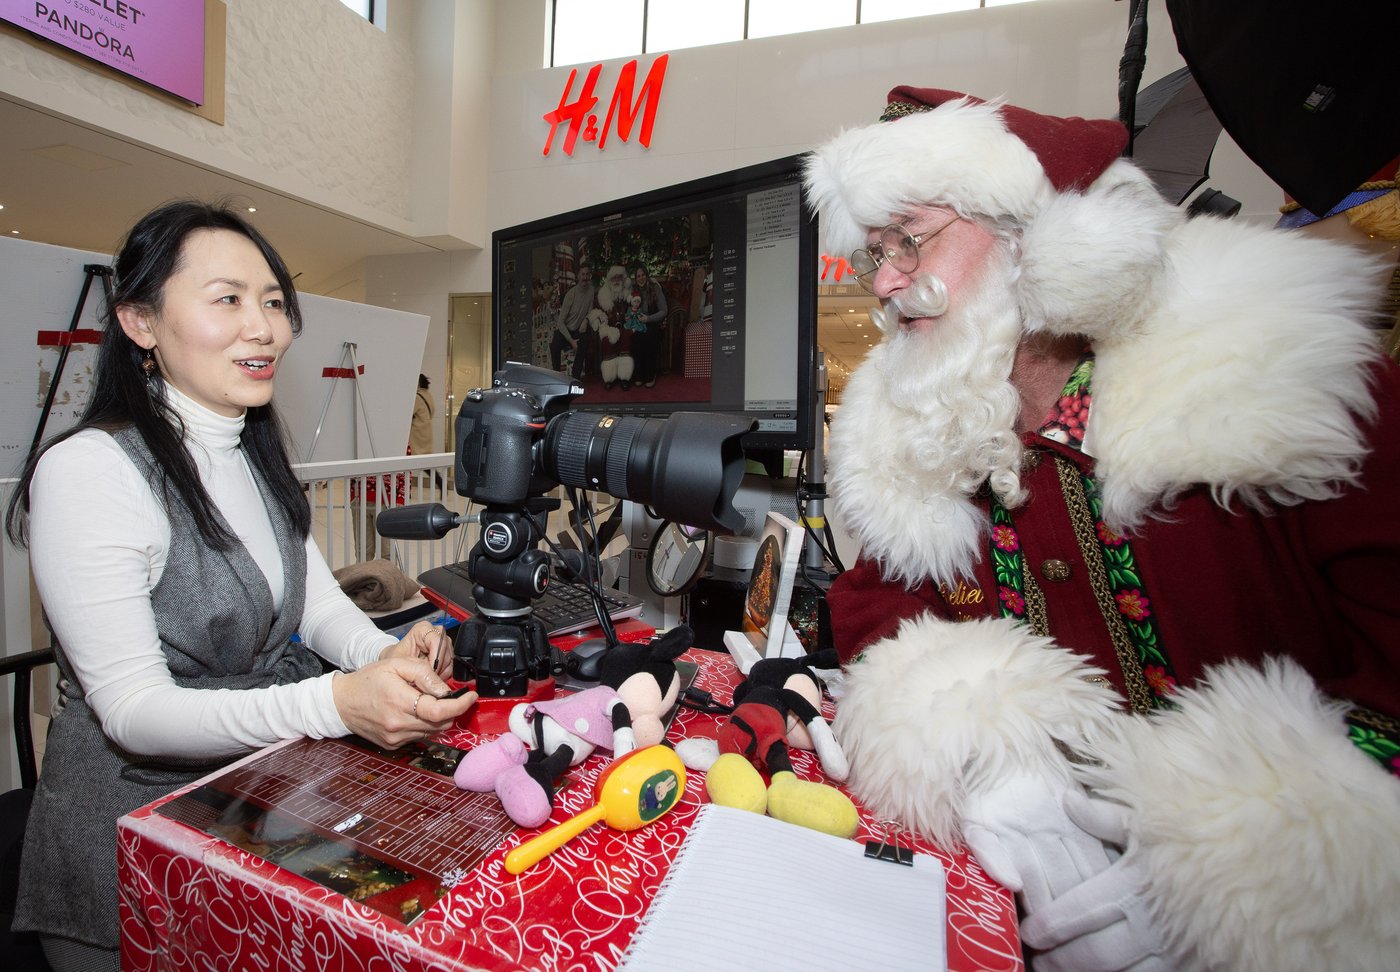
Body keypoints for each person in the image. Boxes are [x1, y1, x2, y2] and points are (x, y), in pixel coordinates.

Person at [803, 87, 1400, 970]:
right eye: (875, 253)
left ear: (1043, 240)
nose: (887, 282)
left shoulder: (1299, 395)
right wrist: (983, 749)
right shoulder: (924, 442)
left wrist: (1257, 872)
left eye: (911, 239)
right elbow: (876, 607)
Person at [3, 201, 478, 971]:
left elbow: (312, 599)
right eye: (227, 299)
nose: (265, 328)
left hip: (254, 800)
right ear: (140, 321)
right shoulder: (90, 470)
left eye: (273, 302)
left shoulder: (252, 448)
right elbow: (133, 712)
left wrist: (381, 655)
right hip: (131, 845)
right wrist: (334, 702)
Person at [552, 260, 596, 379]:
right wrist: (571, 341)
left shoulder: (591, 291)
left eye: (587, 274)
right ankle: (556, 377)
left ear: (589, 276)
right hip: (565, 329)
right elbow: (560, 322)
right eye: (583, 274)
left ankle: (575, 378)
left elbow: (590, 310)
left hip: (578, 329)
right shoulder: (571, 294)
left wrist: (586, 320)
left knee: (584, 341)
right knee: (554, 345)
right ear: (578, 276)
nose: (585, 277)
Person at [596, 264, 635, 389]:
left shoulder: (628, 294)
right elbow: (600, 314)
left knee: (626, 337)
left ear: (623, 279)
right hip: (609, 326)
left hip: (625, 326)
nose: (617, 281)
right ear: (610, 280)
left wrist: (630, 319)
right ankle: (609, 377)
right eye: (614, 278)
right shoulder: (603, 296)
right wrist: (605, 326)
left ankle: (624, 377)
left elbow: (634, 309)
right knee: (607, 340)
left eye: (619, 278)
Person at [630, 263, 668, 387]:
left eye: (643, 275)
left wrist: (649, 318)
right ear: (635, 278)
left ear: (646, 275)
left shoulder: (655, 288)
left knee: (649, 336)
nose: (641, 278)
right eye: (638, 276)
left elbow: (664, 311)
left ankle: (650, 374)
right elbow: (630, 310)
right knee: (636, 338)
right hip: (639, 323)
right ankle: (639, 375)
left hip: (653, 322)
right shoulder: (634, 291)